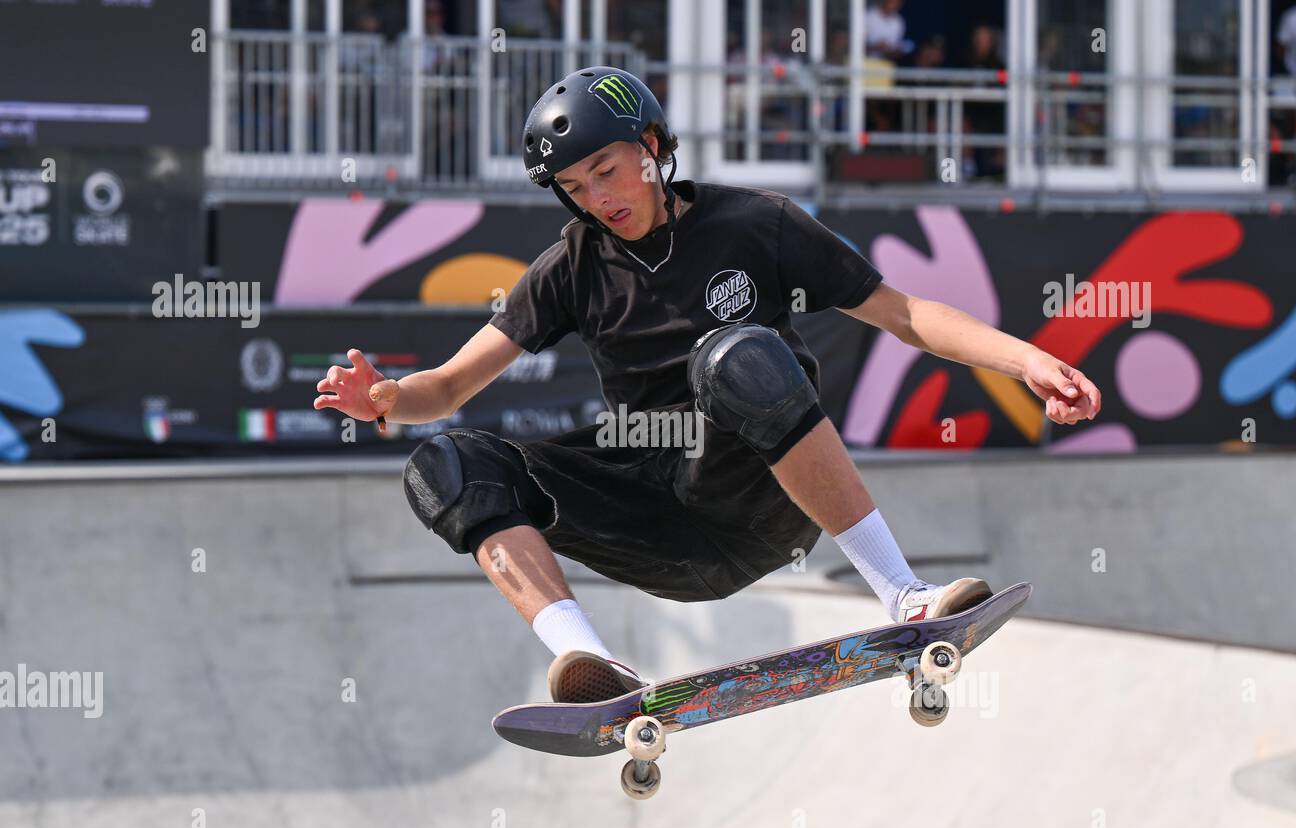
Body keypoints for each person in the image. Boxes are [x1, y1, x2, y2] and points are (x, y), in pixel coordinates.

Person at [315, 66, 1101, 703]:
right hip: (655, 518)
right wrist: (389, 398)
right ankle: (590, 669)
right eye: (576, 189)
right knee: (447, 465)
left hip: (760, 501)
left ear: (651, 146)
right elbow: (450, 386)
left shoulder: (756, 224)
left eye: (607, 171)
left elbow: (902, 312)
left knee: (738, 358)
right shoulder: (571, 268)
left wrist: (1025, 359)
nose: (600, 200)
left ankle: (903, 593)